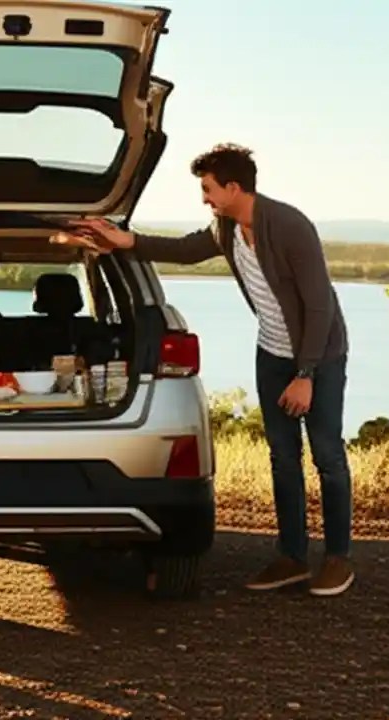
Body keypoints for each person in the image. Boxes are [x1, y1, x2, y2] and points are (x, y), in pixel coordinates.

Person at [55, 143, 355, 597]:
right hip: (272, 354)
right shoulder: (227, 227)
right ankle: (292, 556)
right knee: (282, 457)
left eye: (209, 189)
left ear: (234, 187)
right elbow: (184, 249)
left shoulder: (290, 226)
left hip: (319, 356)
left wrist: (307, 374)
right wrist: (123, 240)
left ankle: (337, 560)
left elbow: (319, 307)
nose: (205, 198)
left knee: (327, 457)